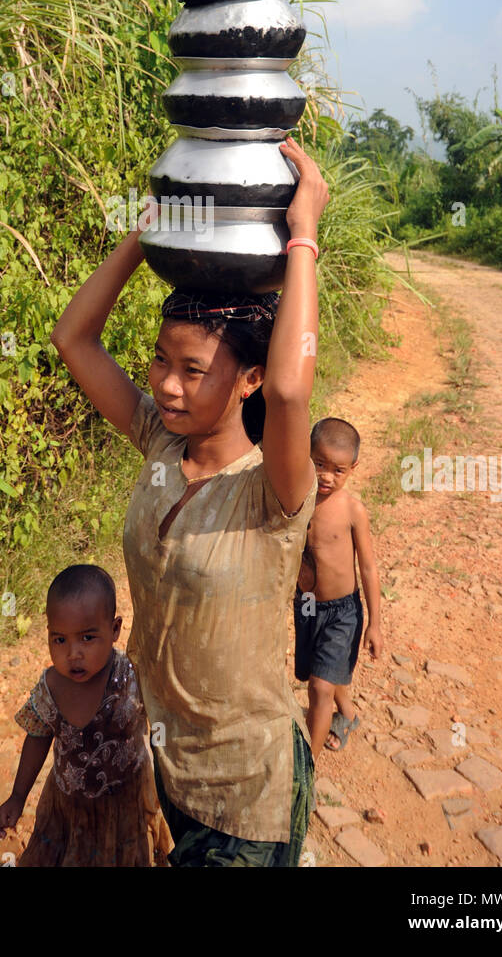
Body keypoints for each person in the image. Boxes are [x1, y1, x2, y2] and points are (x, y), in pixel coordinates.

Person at [50, 135, 329, 867]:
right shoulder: (159, 443)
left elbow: (295, 386)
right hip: (165, 765)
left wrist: (303, 235)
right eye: (160, 362)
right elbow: (72, 338)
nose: (168, 386)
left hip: (245, 793)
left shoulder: (274, 489)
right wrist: (144, 237)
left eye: (194, 370)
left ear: (247, 381)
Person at [0, 563, 171, 866]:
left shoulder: (132, 676)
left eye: (87, 638)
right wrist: (17, 797)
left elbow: (164, 724)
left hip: (126, 806)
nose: (72, 653)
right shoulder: (51, 687)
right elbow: (37, 738)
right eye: (59, 639)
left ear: (114, 630)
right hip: (69, 812)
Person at [293, 417, 383, 756]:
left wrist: (374, 623)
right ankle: (347, 712)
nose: (327, 476)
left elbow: (369, 568)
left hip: (342, 611)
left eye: (339, 470)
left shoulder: (352, 511)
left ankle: (309, 768)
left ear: (354, 468)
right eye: (319, 464)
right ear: (307, 454)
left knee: (319, 687)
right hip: (306, 606)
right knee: (319, 672)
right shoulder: (296, 499)